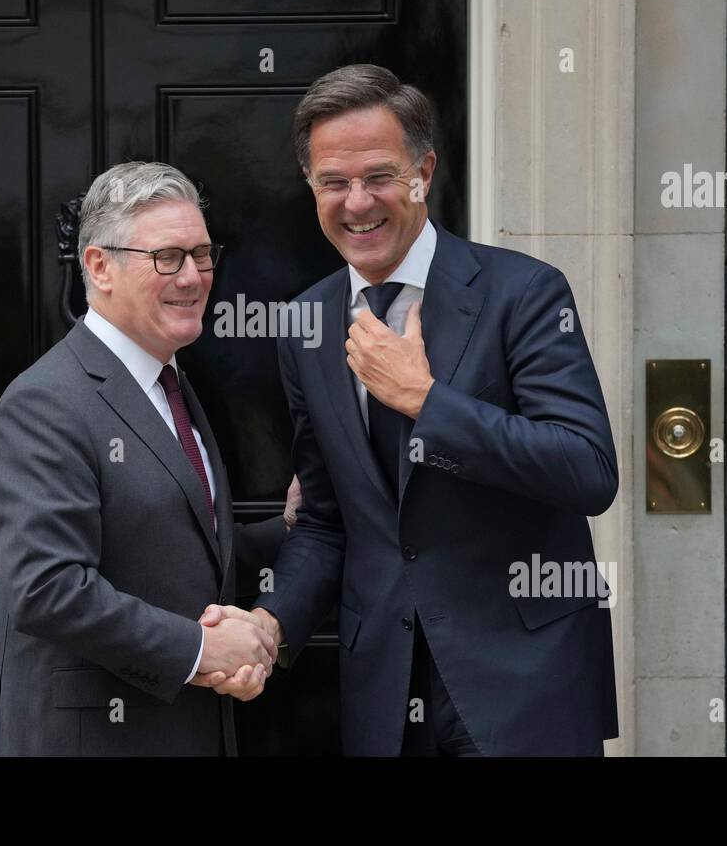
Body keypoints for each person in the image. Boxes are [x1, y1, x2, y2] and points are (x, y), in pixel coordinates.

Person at [229, 63, 620, 755]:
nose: (357, 203)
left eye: (379, 176)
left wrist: (426, 400)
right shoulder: (304, 324)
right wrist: (270, 622)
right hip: (384, 688)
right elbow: (326, 519)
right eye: (333, 182)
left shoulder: (524, 293)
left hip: (523, 686)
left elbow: (587, 471)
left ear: (423, 172)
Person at [0, 161, 291, 756]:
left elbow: (172, 548)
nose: (194, 276)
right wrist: (200, 651)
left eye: (202, 254)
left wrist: (289, 530)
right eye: (168, 257)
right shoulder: (46, 402)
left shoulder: (171, 383)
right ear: (99, 266)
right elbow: (46, 588)